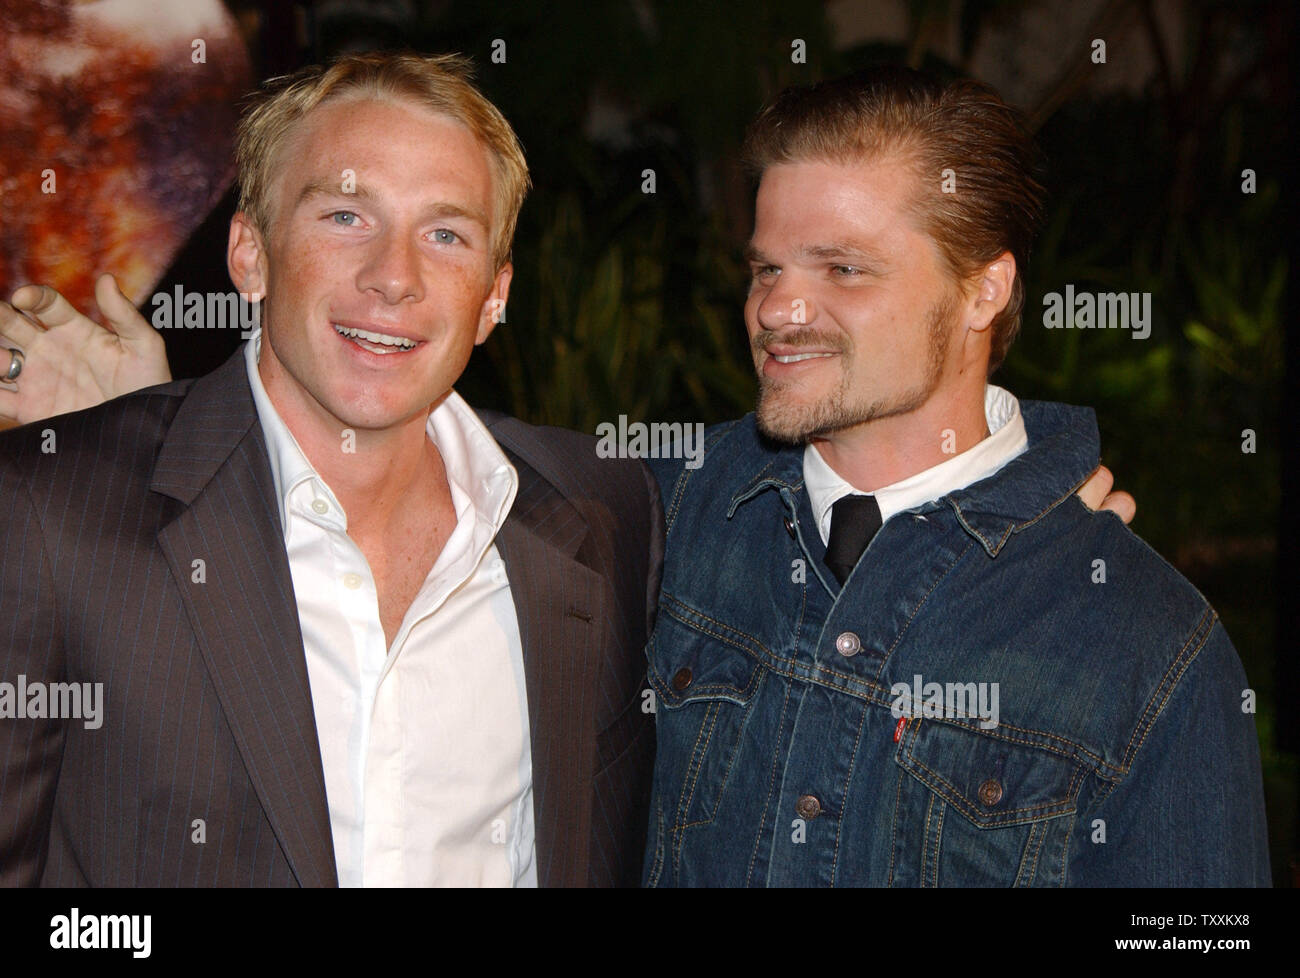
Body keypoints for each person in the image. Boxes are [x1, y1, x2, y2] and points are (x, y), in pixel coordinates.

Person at [0, 52, 662, 887]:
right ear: (250, 254)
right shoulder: (46, 516)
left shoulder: (602, 511)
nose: (394, 278)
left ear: (493, 297)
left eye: (445, 234)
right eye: (346, 216)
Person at [640, 68, 1268, 886]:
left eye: (842, 269)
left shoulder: (1149, 647)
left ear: (983, 291)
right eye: (767, 270)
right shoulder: (665, 513)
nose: (776, 311)